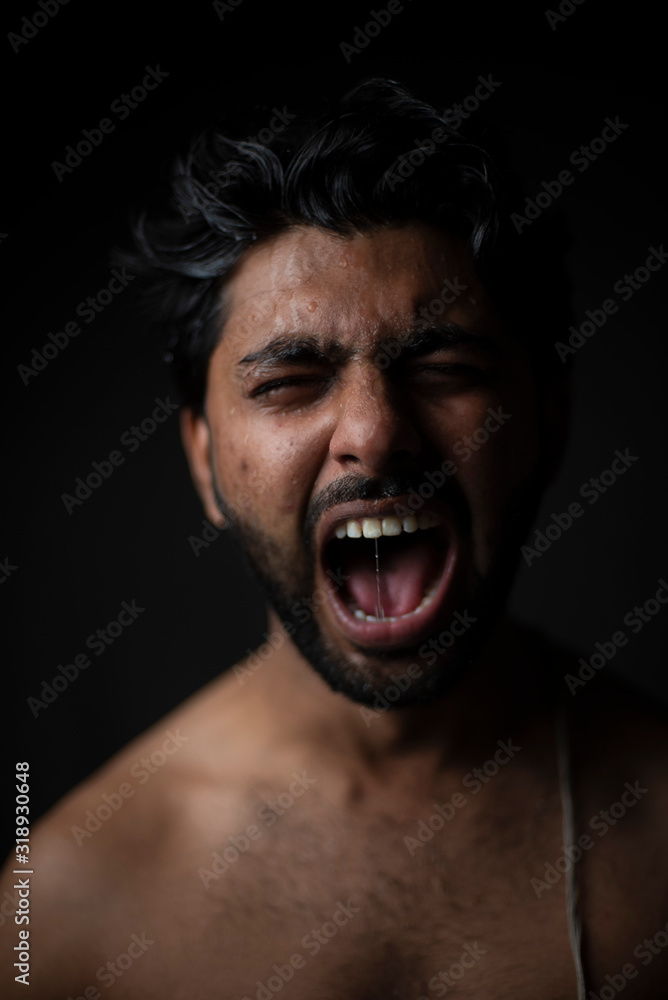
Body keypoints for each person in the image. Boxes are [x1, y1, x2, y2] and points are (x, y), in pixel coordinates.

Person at [3, 77, 668, 999]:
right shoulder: (60, 908)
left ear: (548, 423)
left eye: (444, 367)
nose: (374, 432)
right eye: (290, 381)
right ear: (205, 463)